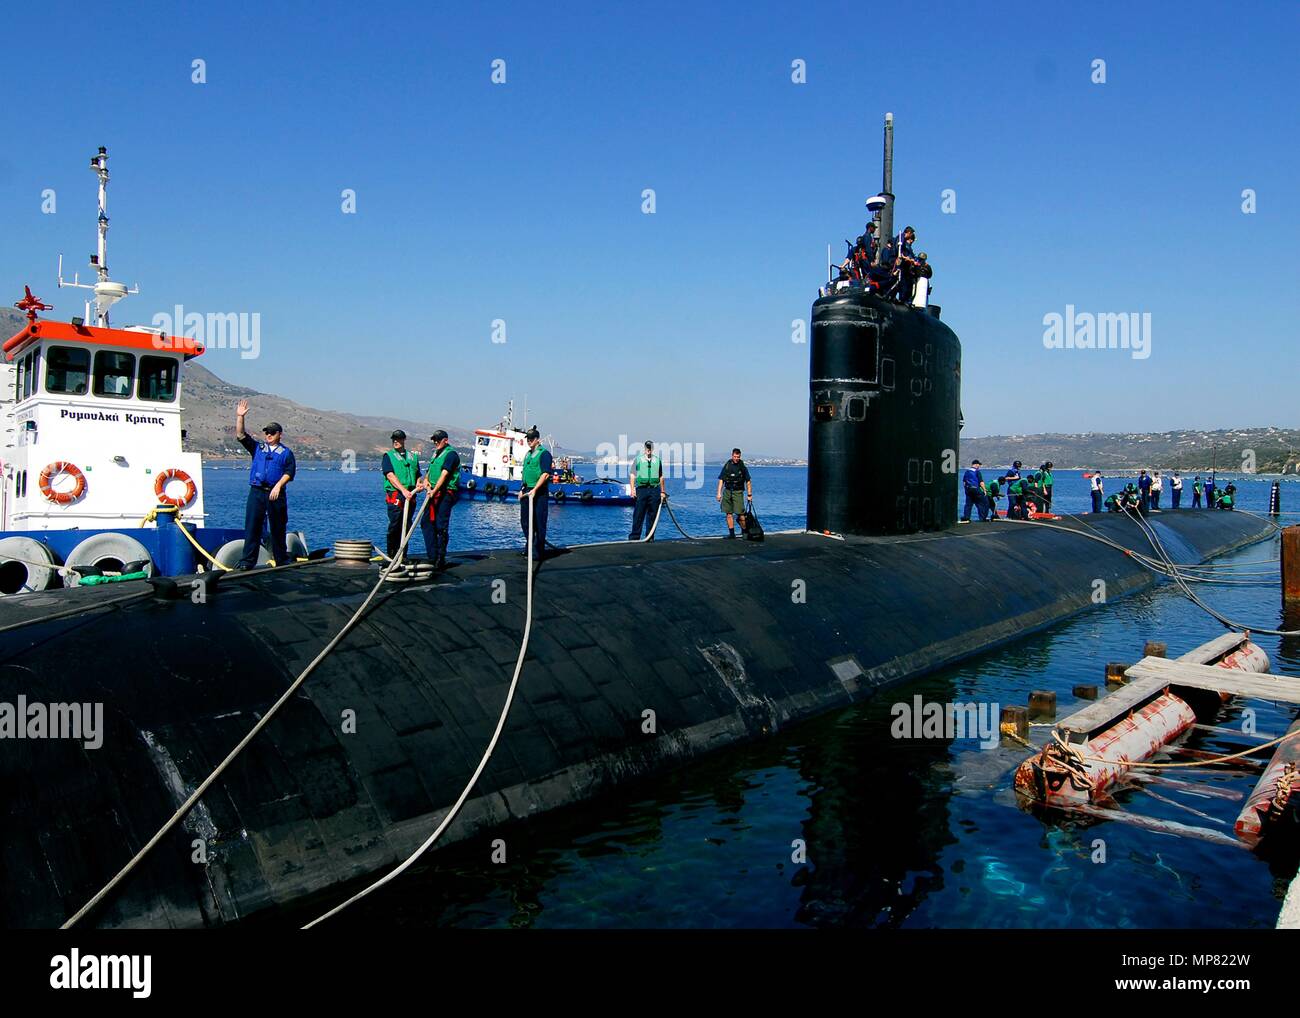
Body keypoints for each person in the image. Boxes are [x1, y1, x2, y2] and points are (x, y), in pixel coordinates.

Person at [234, 399, 296, 569]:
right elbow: (240, 435)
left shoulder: (286, 453)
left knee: (278, 527)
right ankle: (247, 562)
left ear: (279, 434)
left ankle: (281, 559)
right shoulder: (258, 448)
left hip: (276, 494)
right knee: (252, 526)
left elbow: (289, 472)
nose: (269, 435)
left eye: (272, 432)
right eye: (267, 432)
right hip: (257, 492)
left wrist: (278, 486)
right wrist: (240, 417)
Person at [417, 430, 460, 570]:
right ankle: (432, 555)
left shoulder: (451, 455)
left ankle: (440, 558)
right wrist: (426, 482)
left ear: (445, 440)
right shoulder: (436, 454)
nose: (435, 442)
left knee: (441, 526)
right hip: (433, 492)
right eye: (434, 439)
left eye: (438, 439)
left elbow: (444, 474)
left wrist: (434, 491)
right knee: (426, 523)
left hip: (445, 493)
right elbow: (430, 471)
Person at [381, 430, 420, 558]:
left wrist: (420, 483)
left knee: (407, 525)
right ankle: (392, 555)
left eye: (398, 439)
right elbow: (390, 475)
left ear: (404, 440)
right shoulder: (388, 456)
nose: (395, 441)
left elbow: (417, 474)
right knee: (395, 525)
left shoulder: (413, 457)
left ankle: (403, 554)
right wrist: (403, 490)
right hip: (396, 495)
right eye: (394, 439)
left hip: (411, 495)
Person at [518, 427, 551, 563]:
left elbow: (545, 473)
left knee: (539, 522)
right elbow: (525, 472)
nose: (529, 441)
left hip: (539, 492)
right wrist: (522, 489)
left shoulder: (544, 454)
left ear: (537, 439)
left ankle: (538, 552)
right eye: (528, 439)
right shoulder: (527, 454)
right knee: (525, 522)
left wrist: (535, 489)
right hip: (527, 490)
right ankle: (529, 547)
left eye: (532, 439)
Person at [628, 440, 666, 540]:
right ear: (644, 449)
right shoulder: (638, 460)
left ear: (652, 449)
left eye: (650, 448)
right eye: (647, 448)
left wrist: (662, 491)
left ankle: (650, 538)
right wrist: (632, 490)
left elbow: (661, 476)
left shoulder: (657, 461)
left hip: (654, 490)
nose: (648, 449)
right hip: (642, 490)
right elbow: (632, 475)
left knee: (652, 515)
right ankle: (634, 538)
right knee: (638, 515)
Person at [716, 448, 752, 537]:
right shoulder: (727, 465)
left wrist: (749, 494)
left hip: (738, 492)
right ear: (732, 455)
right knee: (728, 513)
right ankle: (732, 534)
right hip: (727, 491)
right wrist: (719, 493)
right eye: (735, 456)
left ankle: (744, 532)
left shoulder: (742, 466)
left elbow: (748, 481)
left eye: (738, 457)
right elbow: (721, 480)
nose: (736, 458)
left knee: (740, 514)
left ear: (740, 456)